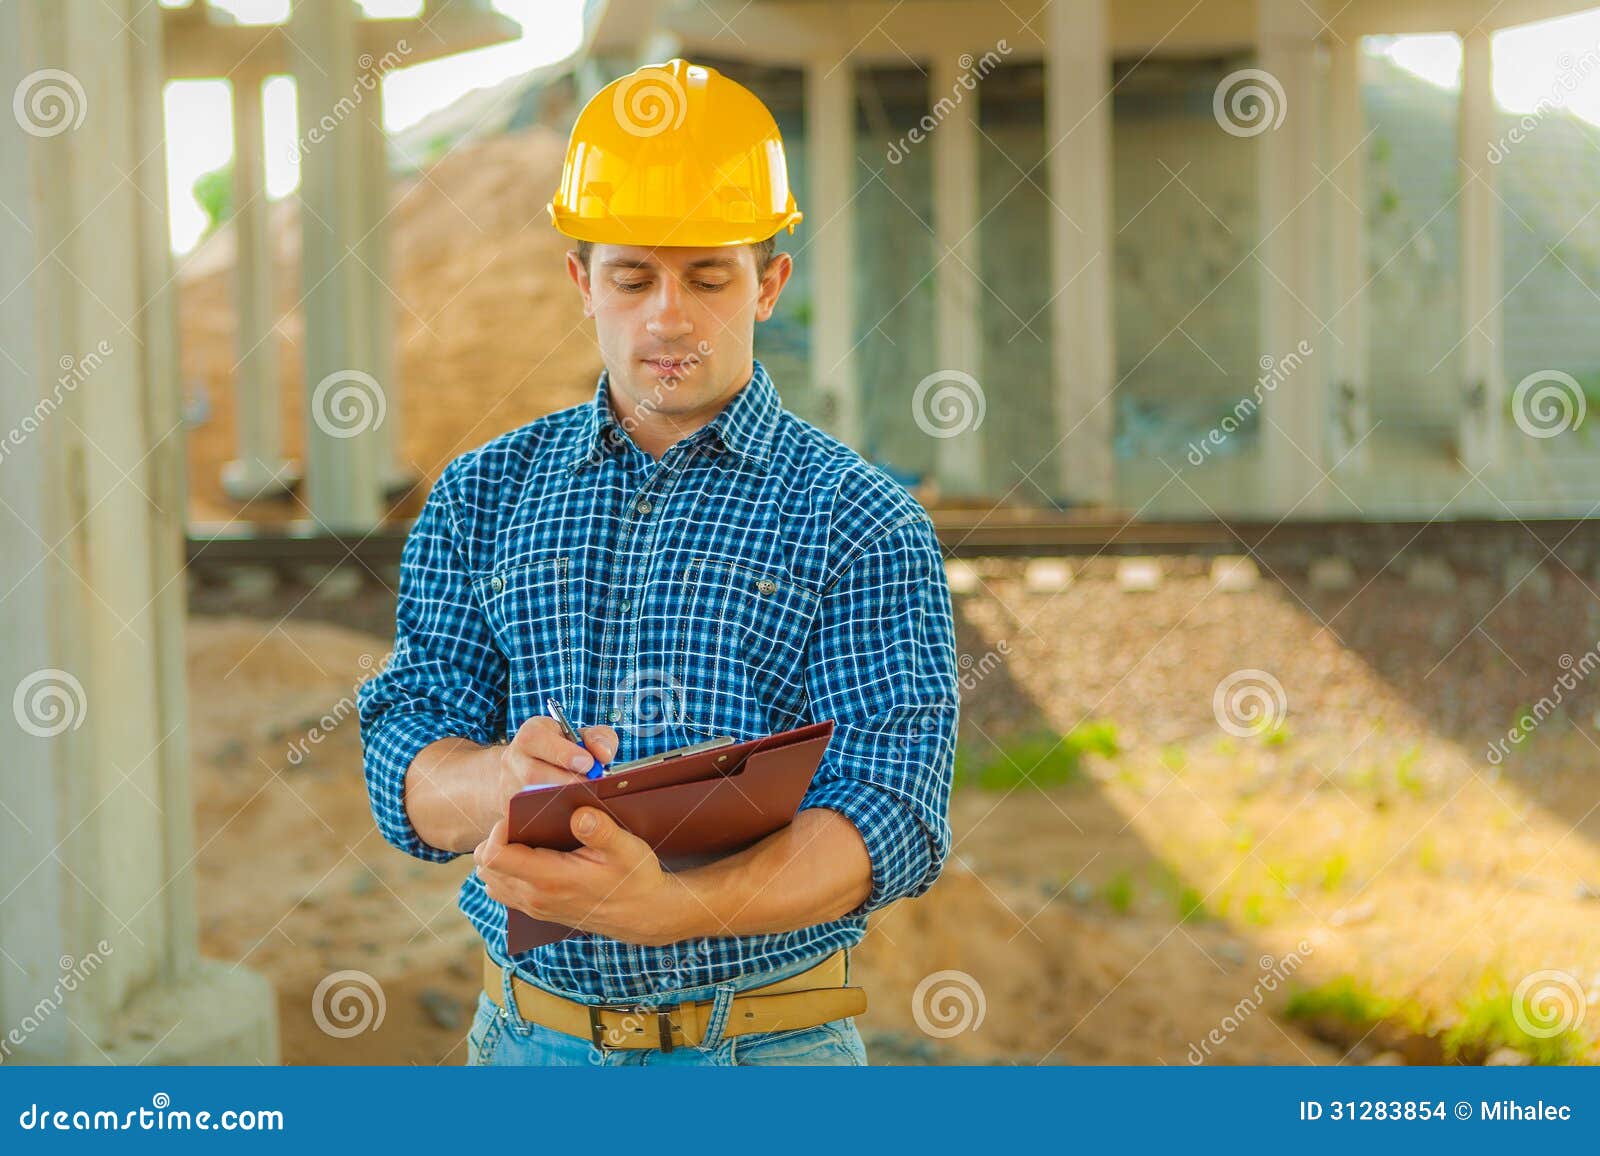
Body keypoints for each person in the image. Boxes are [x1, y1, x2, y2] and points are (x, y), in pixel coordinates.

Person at [357, 59, 958, 1067]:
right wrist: (502, 778)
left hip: (763, 1060)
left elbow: (892, 810)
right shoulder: (481, 496)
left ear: (769, 284)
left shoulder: (861, 520)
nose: (668, 317)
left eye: (708, 277)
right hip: (527, 1049)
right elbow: (403, 757)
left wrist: (679, 906)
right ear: (581, 280)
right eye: (633, 278)